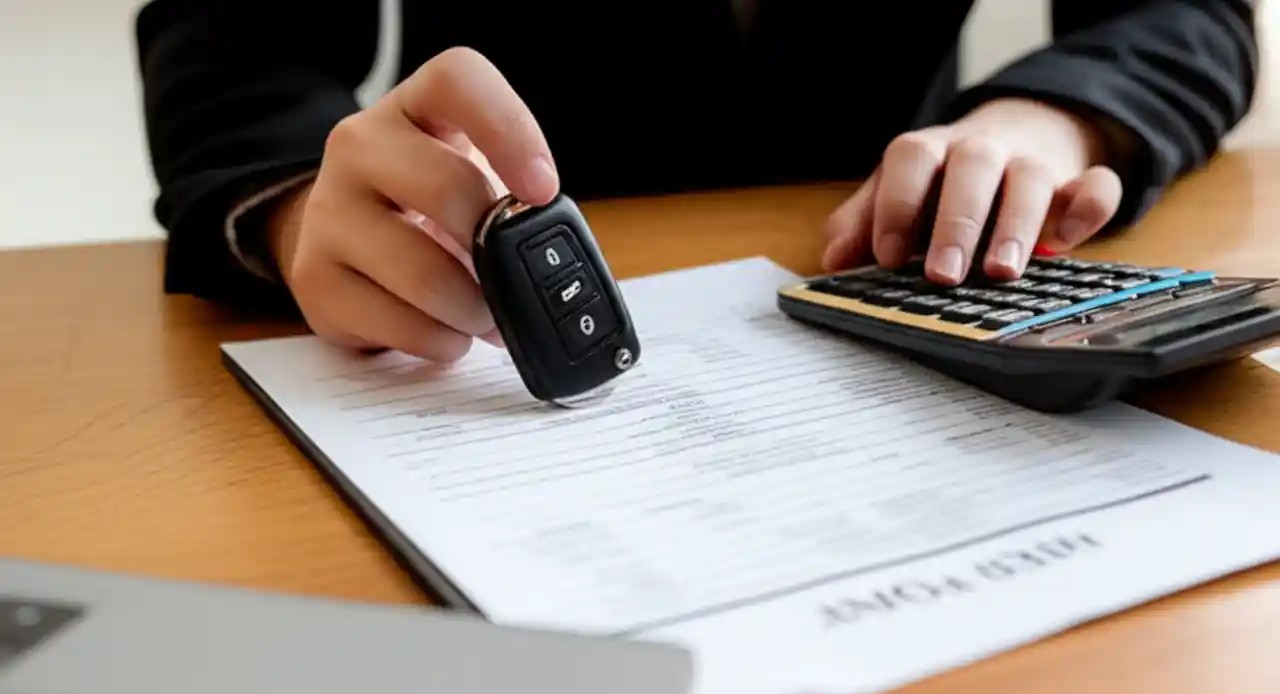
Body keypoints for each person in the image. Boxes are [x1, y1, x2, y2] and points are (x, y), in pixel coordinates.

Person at [134, 1, 1259, 363]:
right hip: (468, 259)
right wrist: (285, 200)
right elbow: (234, 45)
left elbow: (1181, 12)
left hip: (889, 257)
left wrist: (1054, 115)